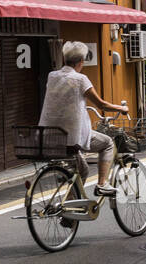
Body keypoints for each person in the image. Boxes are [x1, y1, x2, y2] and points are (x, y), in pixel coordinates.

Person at [37, 41, 129, 196]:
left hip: (49, 135)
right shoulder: (80, 79)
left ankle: (70, 213)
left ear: (65, 60)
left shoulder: (52, 76)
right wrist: (122, 108)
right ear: (80, 62)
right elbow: (101, 104)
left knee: (81, 170)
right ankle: (101, 184)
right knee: (107, 143)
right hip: (71, 138)